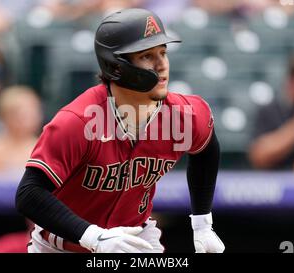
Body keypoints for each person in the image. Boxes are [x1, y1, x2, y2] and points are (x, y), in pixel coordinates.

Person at [15, 8, 224, 253]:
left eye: (163, 53)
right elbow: (29, 193)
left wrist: (202, 224)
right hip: (63, 246)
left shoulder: (185, 115)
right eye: (147, 56)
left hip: (135, 239)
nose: (161, 65)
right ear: (116, 66)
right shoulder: (78, 120)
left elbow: (207, 150)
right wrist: (94, 237)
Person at [0, 86, 42, 172]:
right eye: (19, 111)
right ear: (4, 115)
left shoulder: (45, 150)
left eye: (31, 110)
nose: (27, 116)